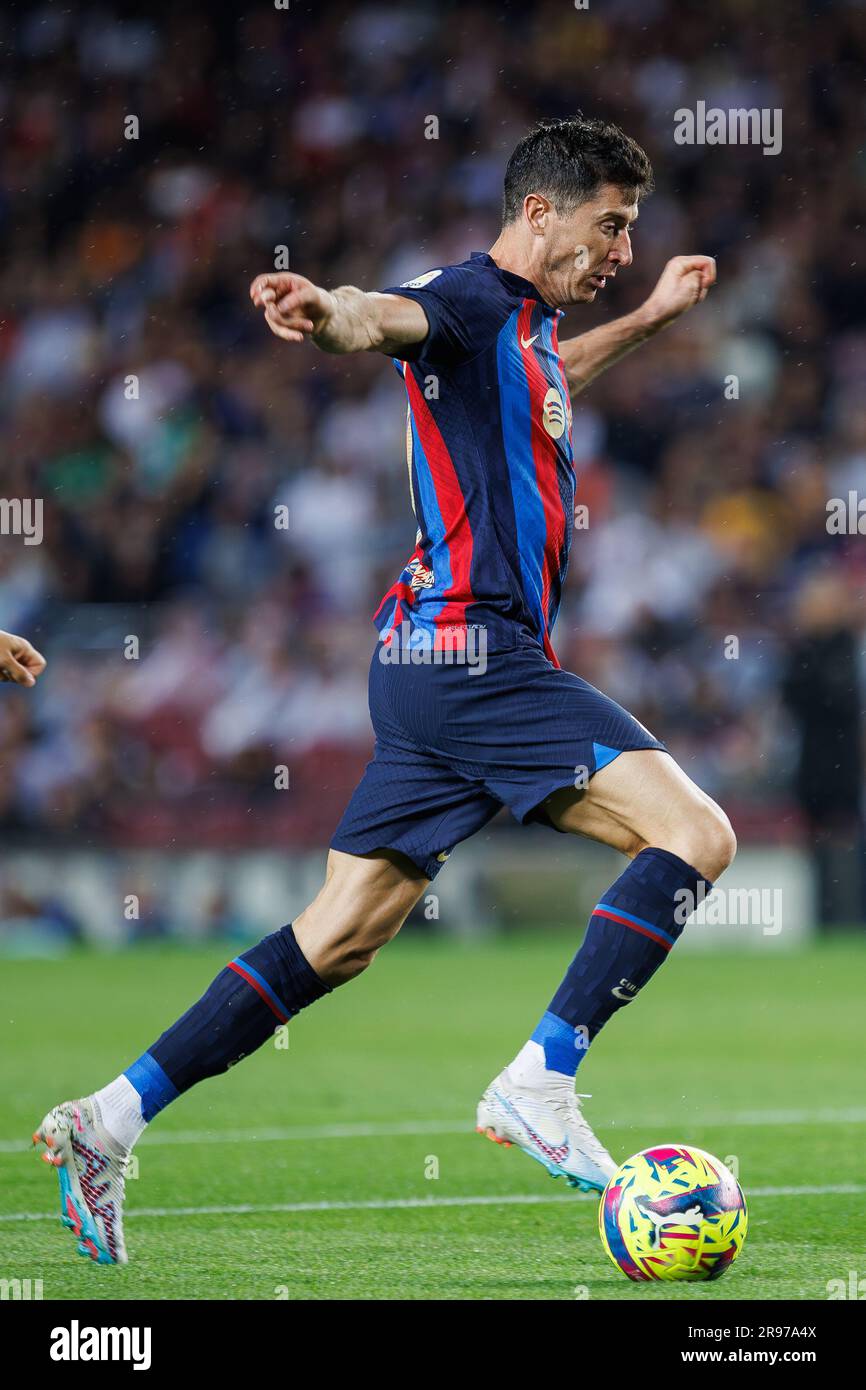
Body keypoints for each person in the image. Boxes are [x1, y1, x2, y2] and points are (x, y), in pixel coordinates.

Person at [34, 117, 735, 1266]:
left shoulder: (524, 330)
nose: (620, 247)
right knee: (694, 833)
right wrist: (328, 314)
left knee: (340, 936)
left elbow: (546, 381)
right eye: (609, 226)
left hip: (418, 669)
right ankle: (540, 1077)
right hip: (476, 656)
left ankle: (108, 1117)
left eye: (631, 232)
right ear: (539, 212)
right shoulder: (462, 301)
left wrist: (648, 319)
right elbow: (381, 318)